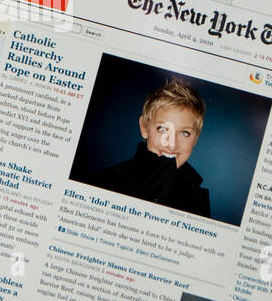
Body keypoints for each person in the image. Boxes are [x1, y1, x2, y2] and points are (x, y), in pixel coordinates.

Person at [88, 77, 211, 217]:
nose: (171, 144)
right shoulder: (107, 182)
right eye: (163, 129)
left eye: (184, 133)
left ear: (195, 139)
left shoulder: (197, 198)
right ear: (144, 128)